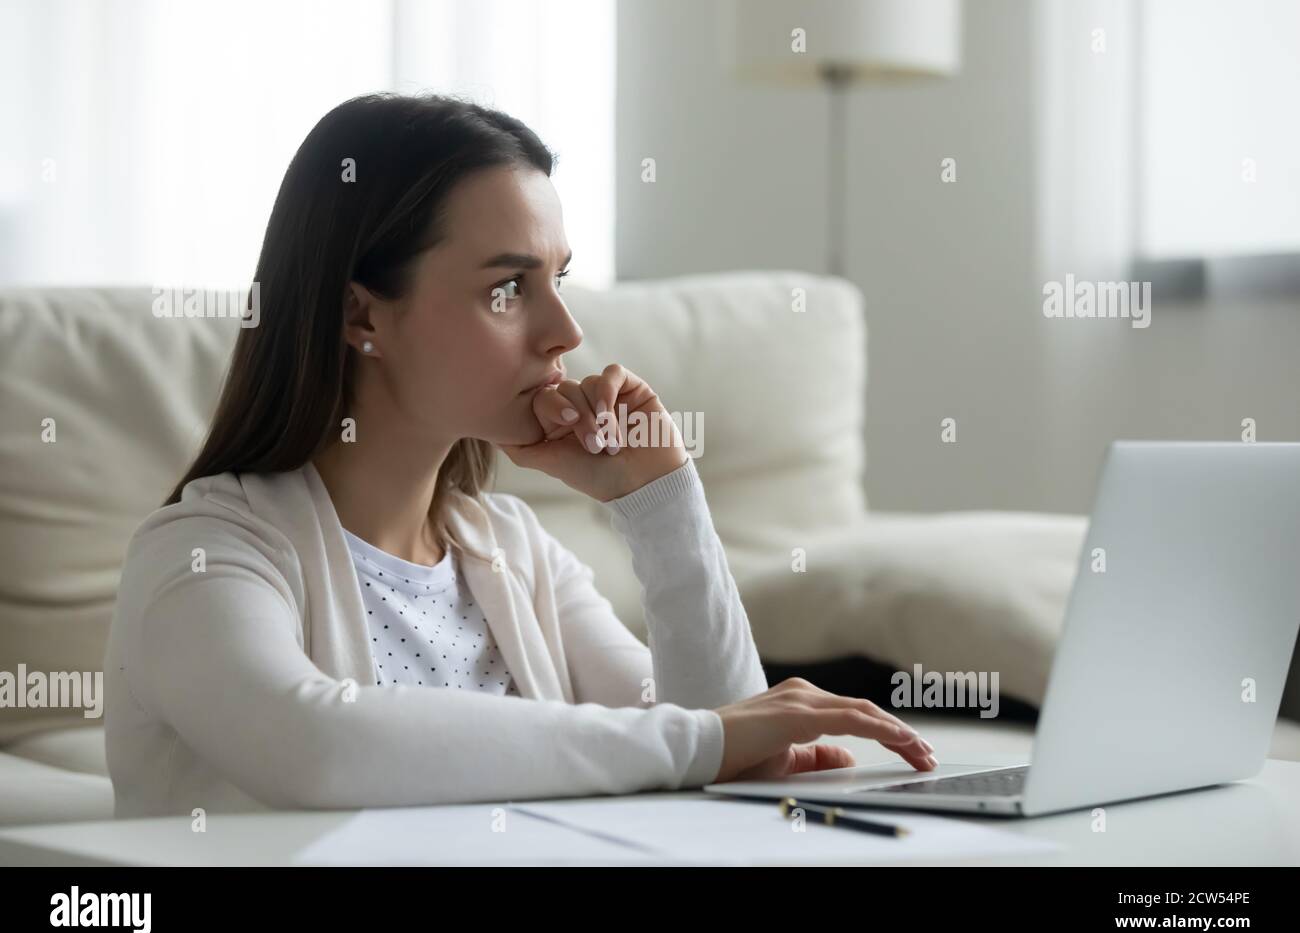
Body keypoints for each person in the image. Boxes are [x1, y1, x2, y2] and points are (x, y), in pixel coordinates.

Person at [104, 92, 936, 818]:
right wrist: (709, 739)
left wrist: (660, 501)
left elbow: (726, 743)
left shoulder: (514, 549)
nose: (565, 334)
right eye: (508, 289)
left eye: (559, 280)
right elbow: (321, 746)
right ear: (361, 316)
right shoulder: (204, 554)